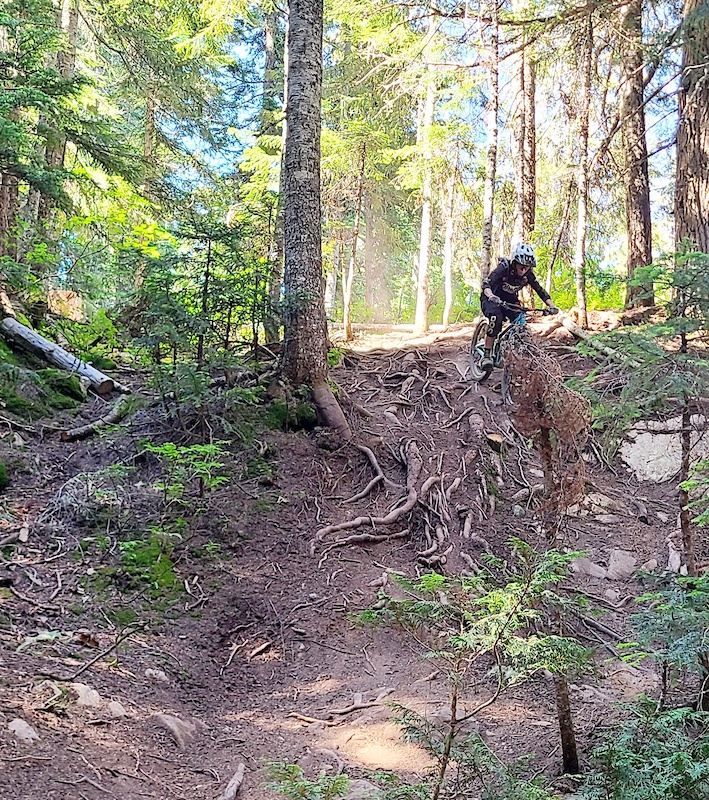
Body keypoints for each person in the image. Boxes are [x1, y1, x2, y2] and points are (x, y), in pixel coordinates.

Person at [479, 243, 559, 369]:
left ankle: (513, 351)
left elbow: (540, 291)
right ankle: (487, 355)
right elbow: (486, 284)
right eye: (521, 267)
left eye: (527, 268)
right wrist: (491, 296)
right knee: (496, 318)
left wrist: (552, 306)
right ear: (515, 262)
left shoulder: (528, 275)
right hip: (491, 298)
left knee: (521, 320)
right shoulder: (504, 268)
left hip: (509, 301)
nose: (523, 270)